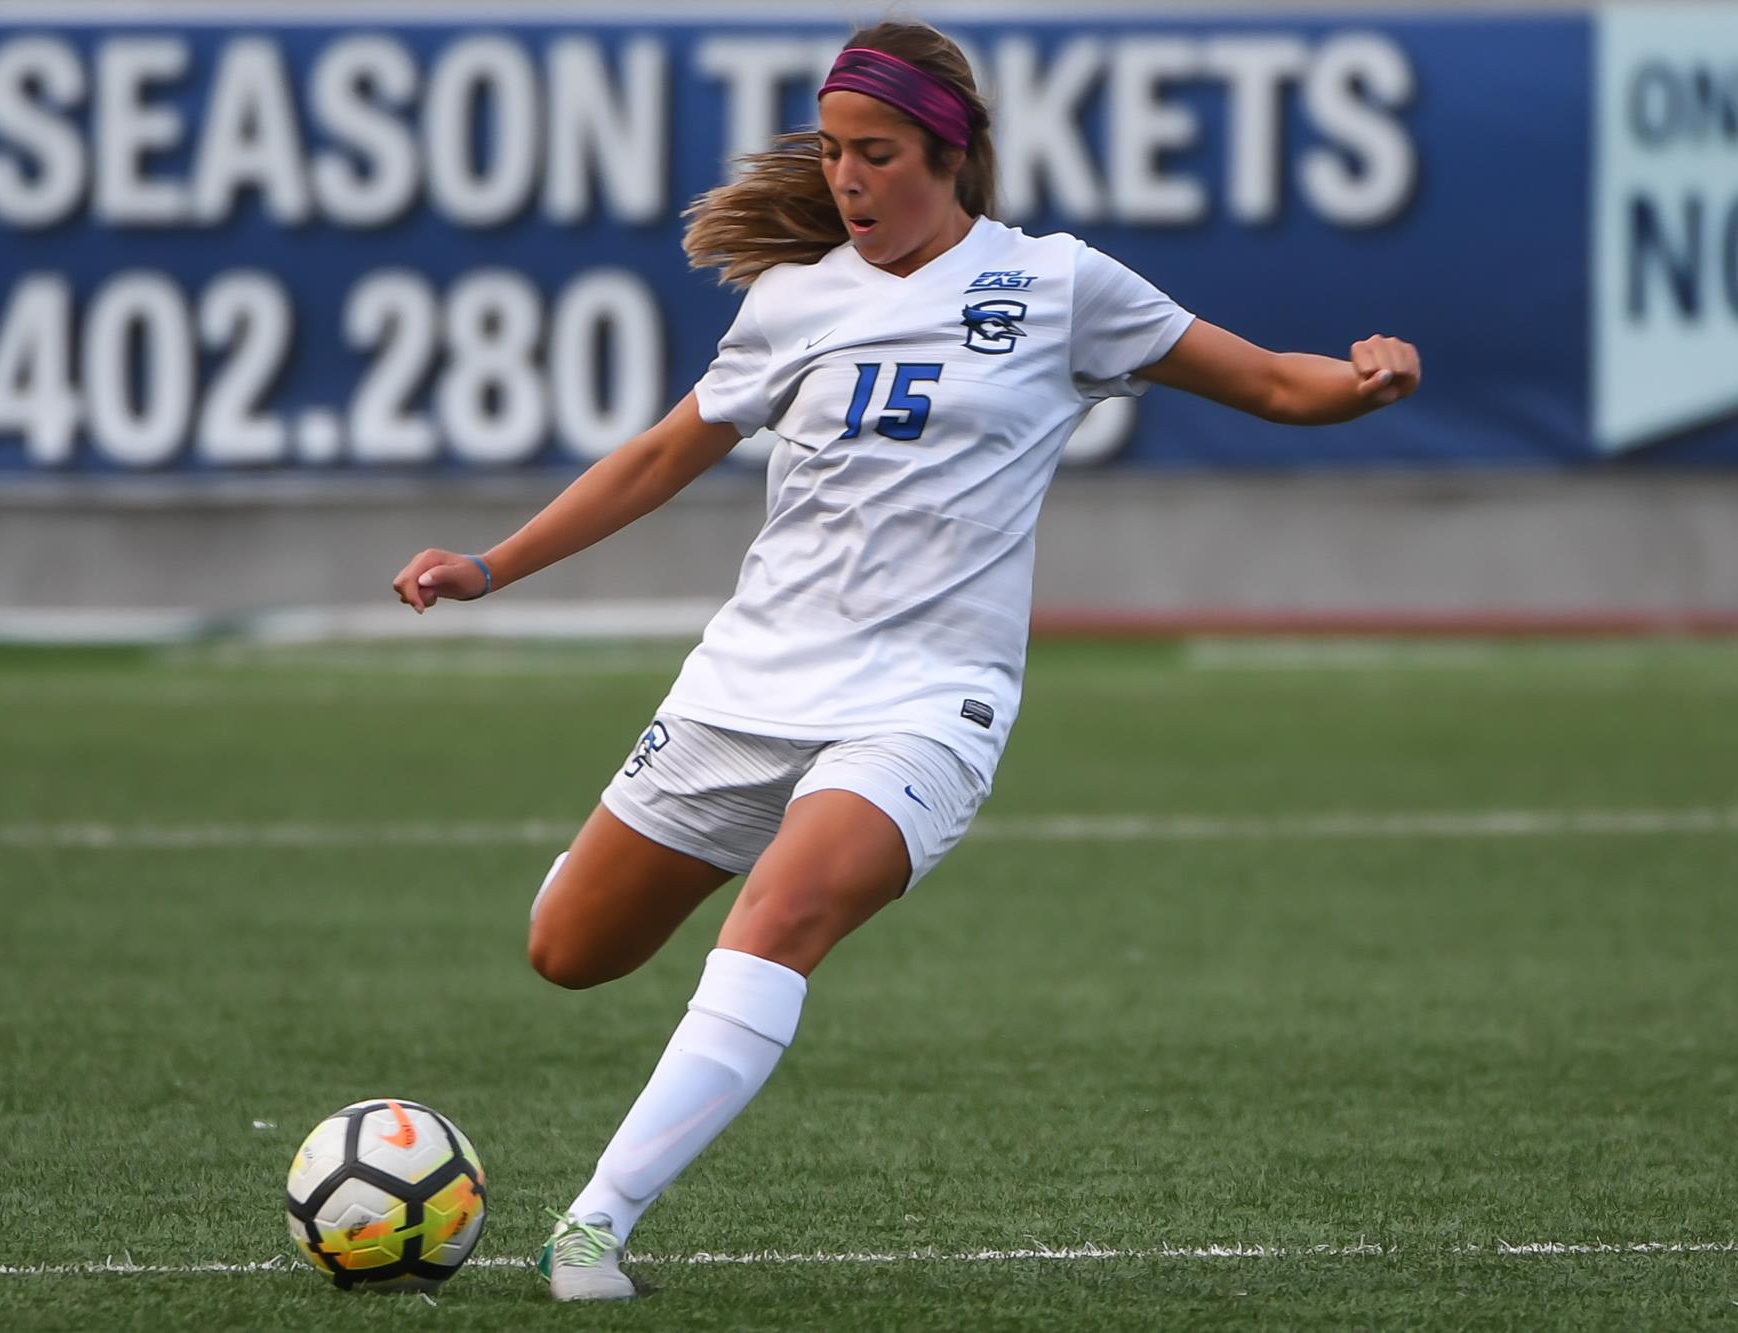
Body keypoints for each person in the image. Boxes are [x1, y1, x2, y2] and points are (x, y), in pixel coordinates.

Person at [391, 19, 1419, 1302]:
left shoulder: (1056, 285)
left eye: (875, 154)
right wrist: (491, 564)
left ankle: (595, 1224)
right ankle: (625, 880)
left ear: (953, 153)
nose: (847, 180)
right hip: (749, 683)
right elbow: (660, 458)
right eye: (831, 154)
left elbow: (1268, 383)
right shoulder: (793, 299)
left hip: (929, 700)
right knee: (569, 949)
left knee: (778, 917)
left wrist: (1361, 379)